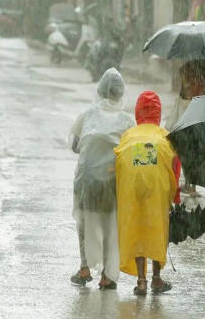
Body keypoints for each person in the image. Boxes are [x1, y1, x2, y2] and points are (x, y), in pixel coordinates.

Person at [69, 68, 135, 290]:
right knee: (109, 225)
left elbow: (74, 145)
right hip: (110, 180)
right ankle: (107, 275)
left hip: (86, 180)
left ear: (99, 90)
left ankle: (84, 267)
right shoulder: (127, 121)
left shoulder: (88, 115)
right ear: (120, 93)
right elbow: (131, 153)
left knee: (83, 221)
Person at [115, 91, 178, 296]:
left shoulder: (129, 136)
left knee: (137, 231)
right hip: (157, 190)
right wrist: (175, 197)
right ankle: (156, 279)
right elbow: (175, 166)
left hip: (132, 190)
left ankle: (141, 281)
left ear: (137, 111)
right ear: (158, 113)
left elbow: (118, 164)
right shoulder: (165, 136)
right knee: (156, 230)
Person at [165, 59, 205, 196]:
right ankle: (191, 184)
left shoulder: (189, 69)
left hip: (191, 119)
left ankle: (191, 184)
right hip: (197, 118)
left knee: (189, 153)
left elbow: (186, 93)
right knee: (193, 153)